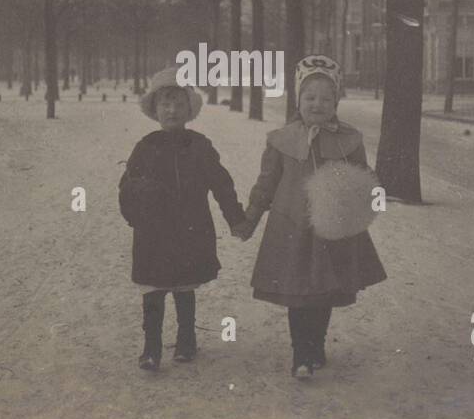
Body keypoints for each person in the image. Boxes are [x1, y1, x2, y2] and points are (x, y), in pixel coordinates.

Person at [235, 55, 386, 377]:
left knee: (324, 290)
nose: (317, 104)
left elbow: (363, 176)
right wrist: (249, 218)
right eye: (310, 97)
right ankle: (300, 353)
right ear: (298, 99)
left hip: (332, 229)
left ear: (336, 102)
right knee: (298, 292)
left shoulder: (348, 140)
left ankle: (316, 346)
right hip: (291, 228)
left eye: (326, 98)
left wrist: (369, 197)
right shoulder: (281, 140)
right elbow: (266, 183)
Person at [119, 67, 249, 371]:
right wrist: (135, 213)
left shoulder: (200, 146)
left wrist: (236, 218)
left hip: (190, 230)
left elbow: (221, 184)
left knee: (184, 286)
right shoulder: (145, 147)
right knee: (153, 289)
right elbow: (126, 187)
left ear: (189, 110)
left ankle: (186, 340)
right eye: (165, 104)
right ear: (155, 110)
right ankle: (151, 348)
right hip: (153, 233)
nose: (172, 110)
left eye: (178, 104)